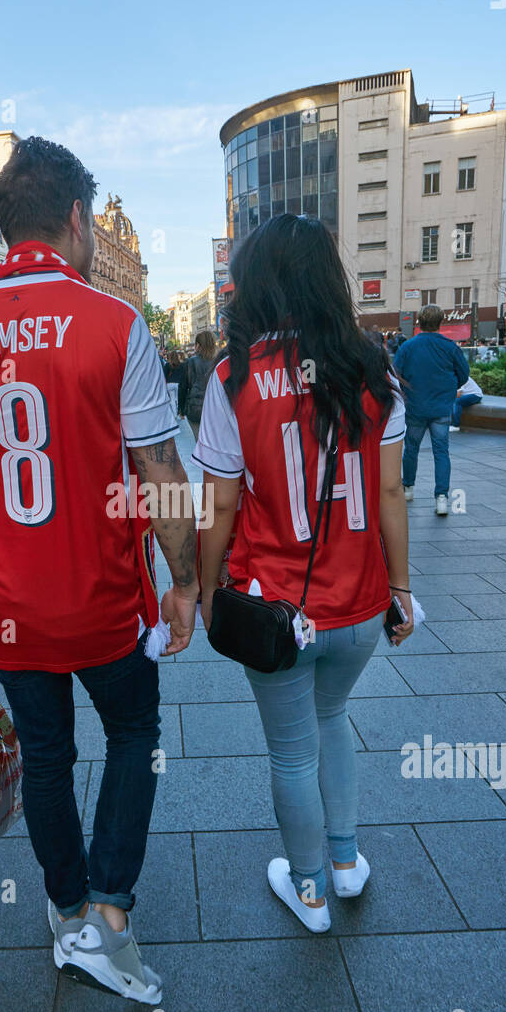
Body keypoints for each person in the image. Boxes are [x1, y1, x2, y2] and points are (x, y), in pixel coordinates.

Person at [0, 135, 198, 1004]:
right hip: (106, 601)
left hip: (8, 610)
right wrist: (183, 583)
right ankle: (110, 908)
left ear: (4, 227)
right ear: (76, 218)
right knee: (133, 736)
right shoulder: (114, 325)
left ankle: (67, 910)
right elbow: (160, 472)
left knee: (43, 753)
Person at [195, 213, 412, 933]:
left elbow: (219, 501)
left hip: (273, 605)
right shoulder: (373, 367)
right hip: (359, 604)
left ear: (252, 285)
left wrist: (202, 588)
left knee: (291, 750)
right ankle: (346, 863)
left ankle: (310, 889)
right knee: (333, 719)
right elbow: (386, 493)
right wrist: (401, 590)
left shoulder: (233, 377)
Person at [393, 305, 469, 515]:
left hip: (415, 406)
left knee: (411, 448)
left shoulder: (408, 346)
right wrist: (448, 388)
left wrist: (407, 390)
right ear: (440, 322)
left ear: (419, 322)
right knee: (441, 451)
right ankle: (442, 498)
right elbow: (463, 374)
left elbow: (395, 374)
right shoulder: (450, 346)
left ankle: (408, 488)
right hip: (441, 407)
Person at [184, 329, 217, 438]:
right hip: (215, 407)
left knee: (199, 441)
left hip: (195, 408)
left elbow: (184, 386)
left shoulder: (191, 362)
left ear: (198, 345)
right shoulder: (220, 361)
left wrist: (182, 408)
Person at [165, 349, 185, 420]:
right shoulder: (181, 365)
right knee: (178, 399)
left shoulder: (167, 365)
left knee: (172, 400)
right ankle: (179, 412)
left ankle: (174, 415)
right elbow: (183, 375)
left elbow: (164, 375)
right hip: (178, 384)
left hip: (169, 384)